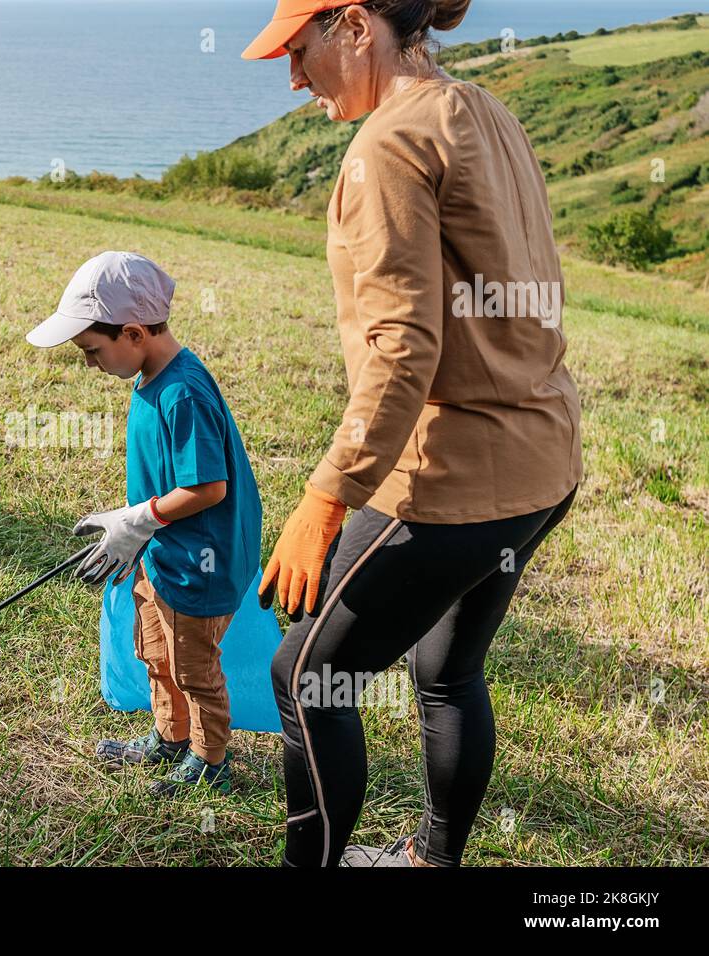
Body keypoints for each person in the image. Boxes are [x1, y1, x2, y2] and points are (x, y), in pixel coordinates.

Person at [241, 0, 582, 865]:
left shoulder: (387, 145)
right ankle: (432, 861)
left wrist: (326, 497)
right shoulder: (484, 109)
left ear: (355, 25)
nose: (291, 75)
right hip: (543, 461)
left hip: (453, 478)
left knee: (304, 677)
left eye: (298, 47)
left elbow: (402, 349)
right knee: (447, 672)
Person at [27, 252, 262, 796]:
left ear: (133, 333)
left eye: (92, 351)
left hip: (200, 565)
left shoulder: (182, 392)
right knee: (155, 650)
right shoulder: (151, 377)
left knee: (193, 668)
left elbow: (209, 488)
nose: (89, 364)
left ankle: (210, 761)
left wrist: (138, 518)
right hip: (161, 553)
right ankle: (169, 737)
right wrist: (139, 531)